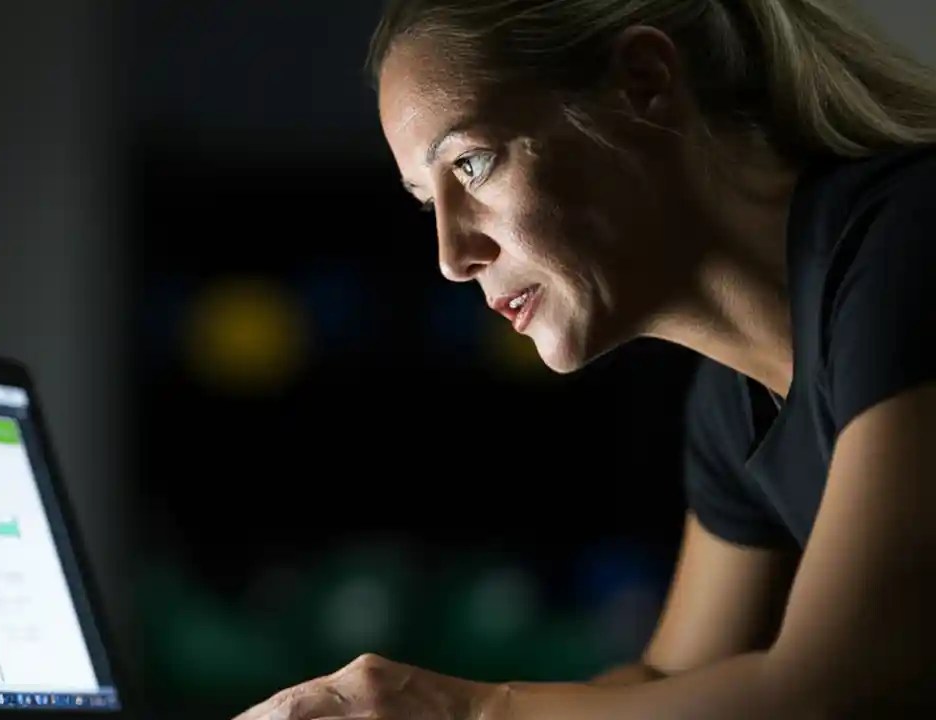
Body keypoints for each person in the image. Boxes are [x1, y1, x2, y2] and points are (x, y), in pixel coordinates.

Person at [233, 0, 936, 717]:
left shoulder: (911, 243)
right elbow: (666, 684)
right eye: (427, 204)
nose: (452, 255)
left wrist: (466, 710)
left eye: (472, 164)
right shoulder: (736, 403)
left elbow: (834, 684)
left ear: (643, 82)